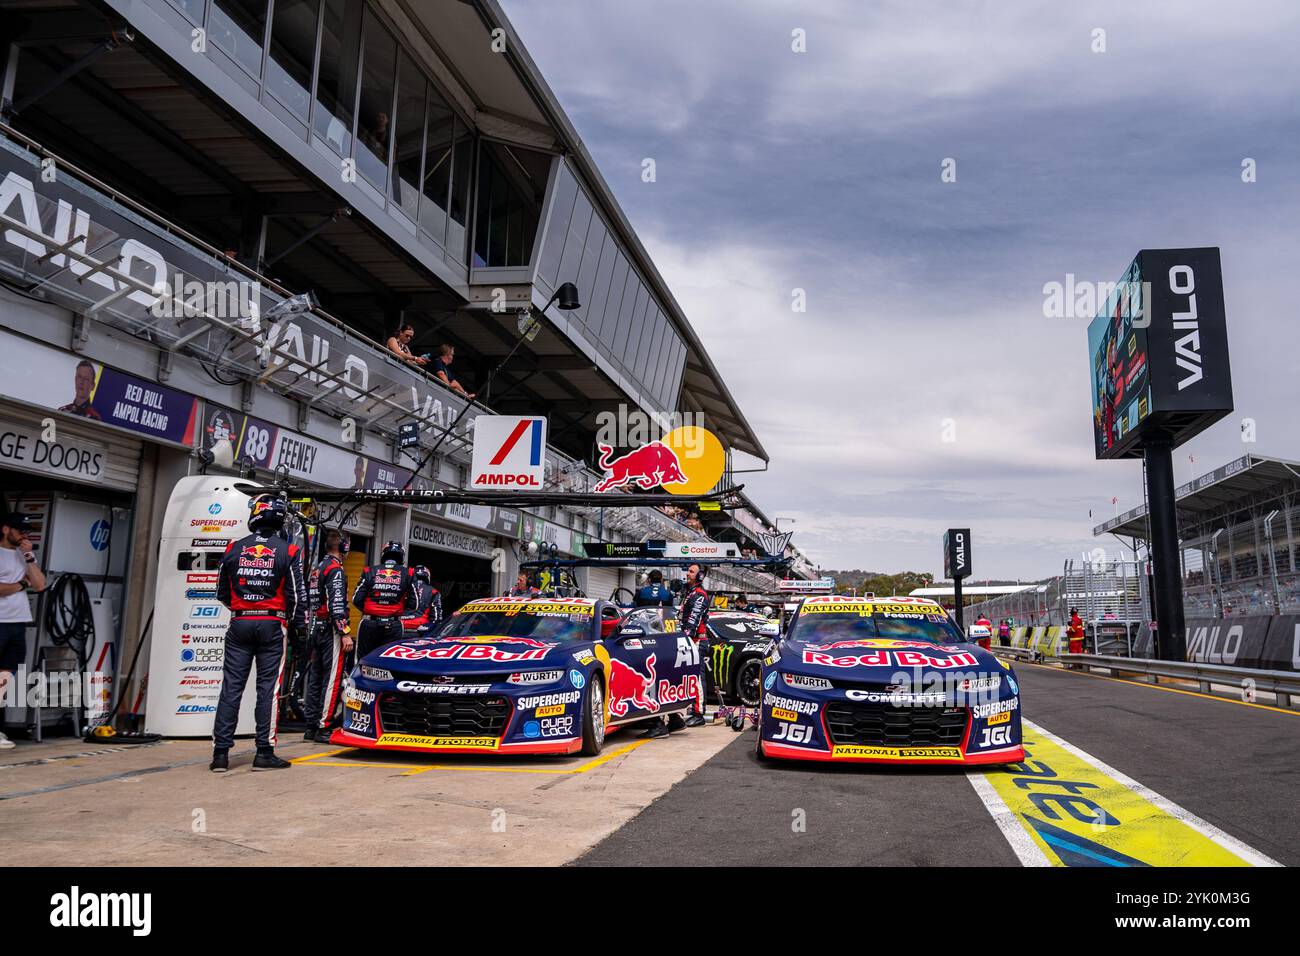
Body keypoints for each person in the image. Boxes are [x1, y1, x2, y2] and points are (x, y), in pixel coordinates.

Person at [211, 496, 306, 772]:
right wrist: (299, 627)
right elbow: (296, 596)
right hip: (272, 626)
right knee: (268, 690)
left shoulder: (233, 548)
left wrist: (244, 607)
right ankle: (263, 752)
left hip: (239, 623)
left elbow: (221, 592)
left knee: (231, 687)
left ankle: (220, 755)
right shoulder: (288, 551)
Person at [640, 563, 710, 739]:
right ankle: (678, 715)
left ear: (700, 575)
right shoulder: (690, 592)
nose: (688, 574)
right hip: (687, 640)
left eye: (692, 572)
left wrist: (683, 637)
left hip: (695, 641)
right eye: (689, 571)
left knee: (696, 676)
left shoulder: (699, 595)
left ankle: (698, 713)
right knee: (683, 677)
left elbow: (693, 620)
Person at [0, 512, 46, 750]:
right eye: (20, 530)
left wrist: (29, 558)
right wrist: (21, 584)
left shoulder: (23, 555)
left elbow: (40, 585)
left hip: (18, 622)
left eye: (26, 531)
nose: (23, 535)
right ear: (6, 529)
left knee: (5, 678)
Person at [302, 529, 352, 741]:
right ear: (343, 547)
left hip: (314, 627)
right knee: (331, 679)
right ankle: (324, 726)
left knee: (315, 678)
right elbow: (336, 604)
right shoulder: (335, 570)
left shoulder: (317, 568)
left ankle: (311, 725)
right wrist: (344, 632)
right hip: (330, 629)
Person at [352, 541, 417, 659]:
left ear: (383, 554)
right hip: (394, 625)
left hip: (369, 624)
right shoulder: (409, 573)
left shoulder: (369, 571)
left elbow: (356, 599)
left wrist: (369, 610)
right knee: (389, 662)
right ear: (401, 556)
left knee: (363, 661)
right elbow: (414, 604)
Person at [401, 565, 443, 636]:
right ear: (427, 576)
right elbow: (436, 618)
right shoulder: (433, 591)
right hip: (419, 629)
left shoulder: (402, 586)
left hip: (399, 626)